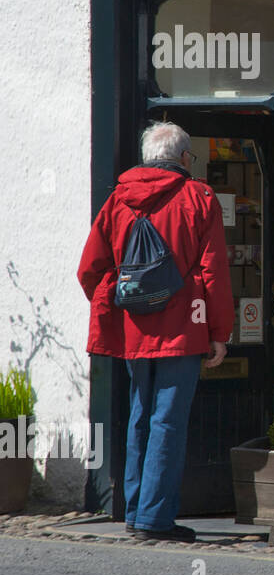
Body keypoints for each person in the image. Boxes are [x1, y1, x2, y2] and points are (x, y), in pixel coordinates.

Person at [77, 122, 233, 542]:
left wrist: (123, 305)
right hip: (182, 330)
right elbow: (212, 271)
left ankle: (134, 511)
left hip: (132, 332)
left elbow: (89, 270)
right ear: (184, 158)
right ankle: (154, 519)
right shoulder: (199, 198)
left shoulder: (118, 200)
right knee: (167, 421)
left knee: (140, 417)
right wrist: (219, 331)